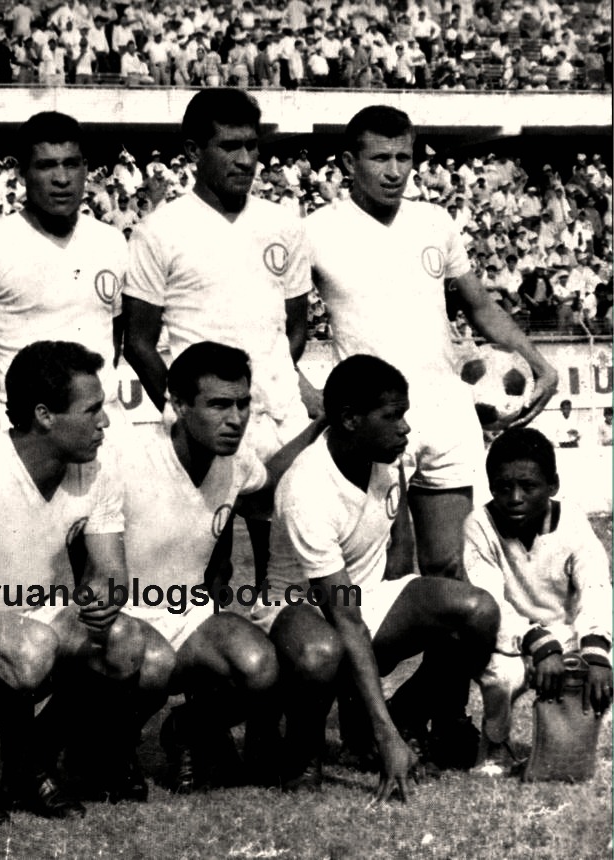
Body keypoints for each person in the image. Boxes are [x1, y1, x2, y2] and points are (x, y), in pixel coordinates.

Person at [0, 341, 170, 822]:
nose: (104, 422)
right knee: (31, 648)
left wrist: (107, 598)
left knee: (128, 643)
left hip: (34, 613)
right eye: (92, 411)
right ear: (45, 415)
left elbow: (112, 572)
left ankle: (37, 761)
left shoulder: (94, 473)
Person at [304, 105, 558, 586]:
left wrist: (537, 362)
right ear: (346, 163)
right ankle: (369, 663)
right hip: (377, 418)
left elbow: (480, 307)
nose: (395, 171)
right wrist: (309, 395)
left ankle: (444, 666)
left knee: (449, 564)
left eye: (405, 157)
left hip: (445, 409)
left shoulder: (435, 222)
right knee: (387, 568)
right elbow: (283, 326)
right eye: (381, 158)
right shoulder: (316, 231)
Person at [258, 355, 501, 796]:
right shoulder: (307, 487)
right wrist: (383, 736)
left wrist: (375, 717)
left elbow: (398, 554)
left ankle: (403, 714)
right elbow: (345, 617)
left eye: (404, 414)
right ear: (350, 419)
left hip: (362, 599)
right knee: (320, 652)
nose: (405, 427)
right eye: (392, 416)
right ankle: (302, 753)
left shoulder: (387, 457)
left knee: (478, 609)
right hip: (297, 613)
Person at [122, 87, 316, 585]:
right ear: (193, 152)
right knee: (211, 564)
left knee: (292, 562)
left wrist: (274, 384)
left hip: (277, 412)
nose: (246, 159)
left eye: (252, 146)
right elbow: (140, 341)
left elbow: (296, 325)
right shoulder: (159, 231)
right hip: (207, 416)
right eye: (230, 146)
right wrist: (184, 408)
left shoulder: (283, 225)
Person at [117, 341, 330, 792]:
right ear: (178, 404)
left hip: (185, 619)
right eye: (218, 405)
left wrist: (321, 424)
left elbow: (268, 480)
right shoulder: (127, 455)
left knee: (260, 666)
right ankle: (105, 748)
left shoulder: (235, 460)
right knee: (141, 665)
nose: (235, 418)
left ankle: (187, 730)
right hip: (122, 622)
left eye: (243, 403)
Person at [0, 111, 127, 437]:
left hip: (106, 424)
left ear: (86, 168)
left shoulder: (111, 241)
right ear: (23, 172)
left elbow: (113, 335)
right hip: (30, 429)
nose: (62, 178)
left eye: (71, 163)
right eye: (46, 165)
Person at [463, 428, 611, 775]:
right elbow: (489, 597)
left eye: (528, 486)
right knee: (501, 676)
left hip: (570, 635)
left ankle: (574, 744)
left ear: (553, 485)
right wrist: (537, 644)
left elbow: (596, 586)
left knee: (602, 671)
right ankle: (495, 743)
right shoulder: (479, 525)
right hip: (511, 640)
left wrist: (594, 647)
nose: (514, 498)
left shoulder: (572, 520)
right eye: (503, 487)